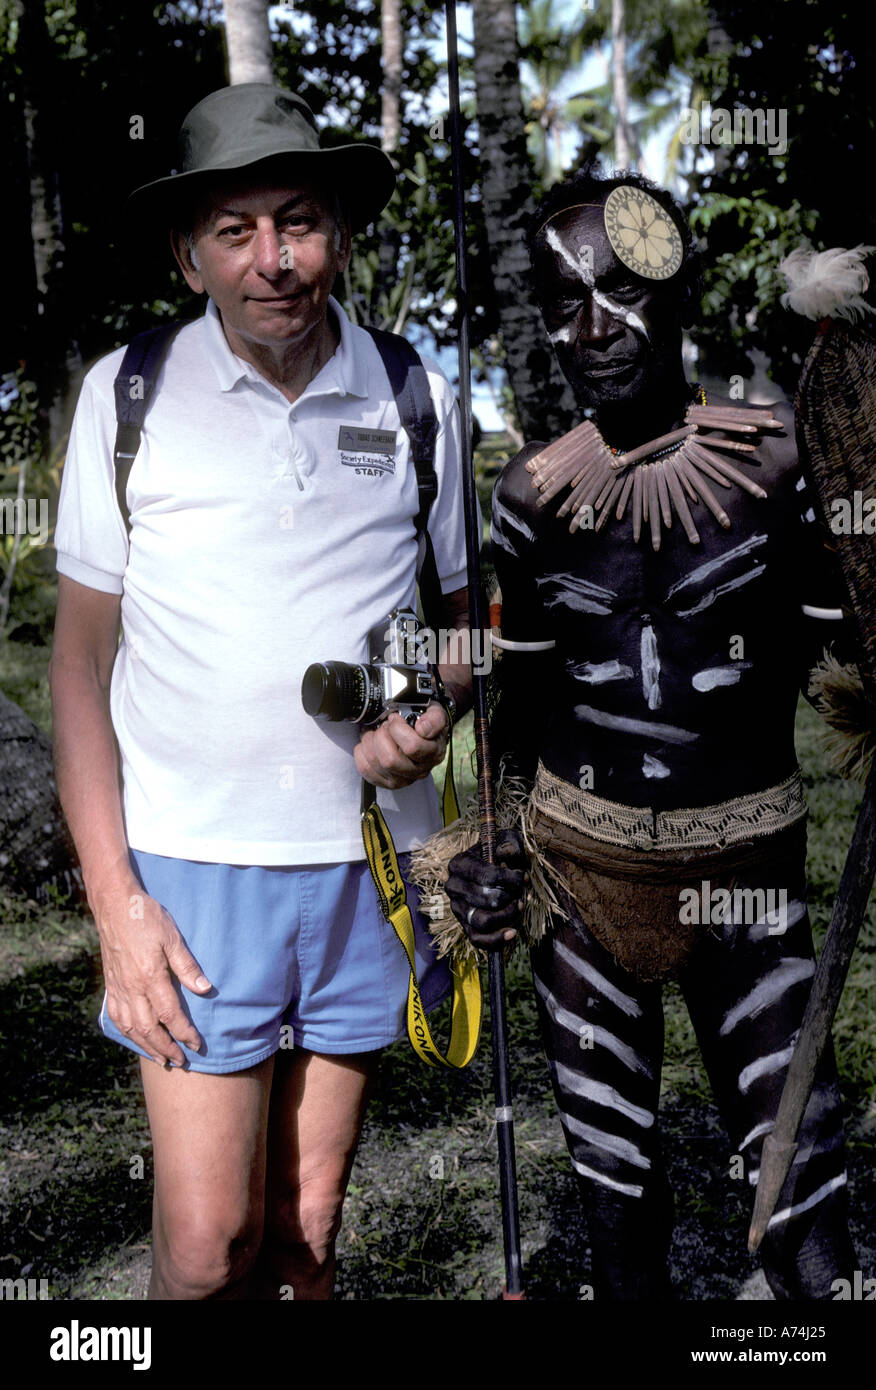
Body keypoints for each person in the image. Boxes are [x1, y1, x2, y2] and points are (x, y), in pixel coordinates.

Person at [49, 83, 471, 1301]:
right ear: (189, 256)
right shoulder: (126, 397)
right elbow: (77, 663)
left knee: (304, 1236)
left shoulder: (415, 393)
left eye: (299, 222)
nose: (274, 261)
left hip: (371, 868)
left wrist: (427, 718)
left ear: (338, 231)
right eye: (235, 231)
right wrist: (116, 902)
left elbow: (456, 632)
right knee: (203, 1249)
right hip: (188, 871)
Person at [446, 162, 858, 1300]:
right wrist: (490, 850)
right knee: (615, 1201)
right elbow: (517, 704)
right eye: (563, 302)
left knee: (802, 1191)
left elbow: (851, 642)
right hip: (584, 891)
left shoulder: (776, 468)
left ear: (677, 289)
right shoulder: (532, 500)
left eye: (621, 289)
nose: (593, 327)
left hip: (745, 890)